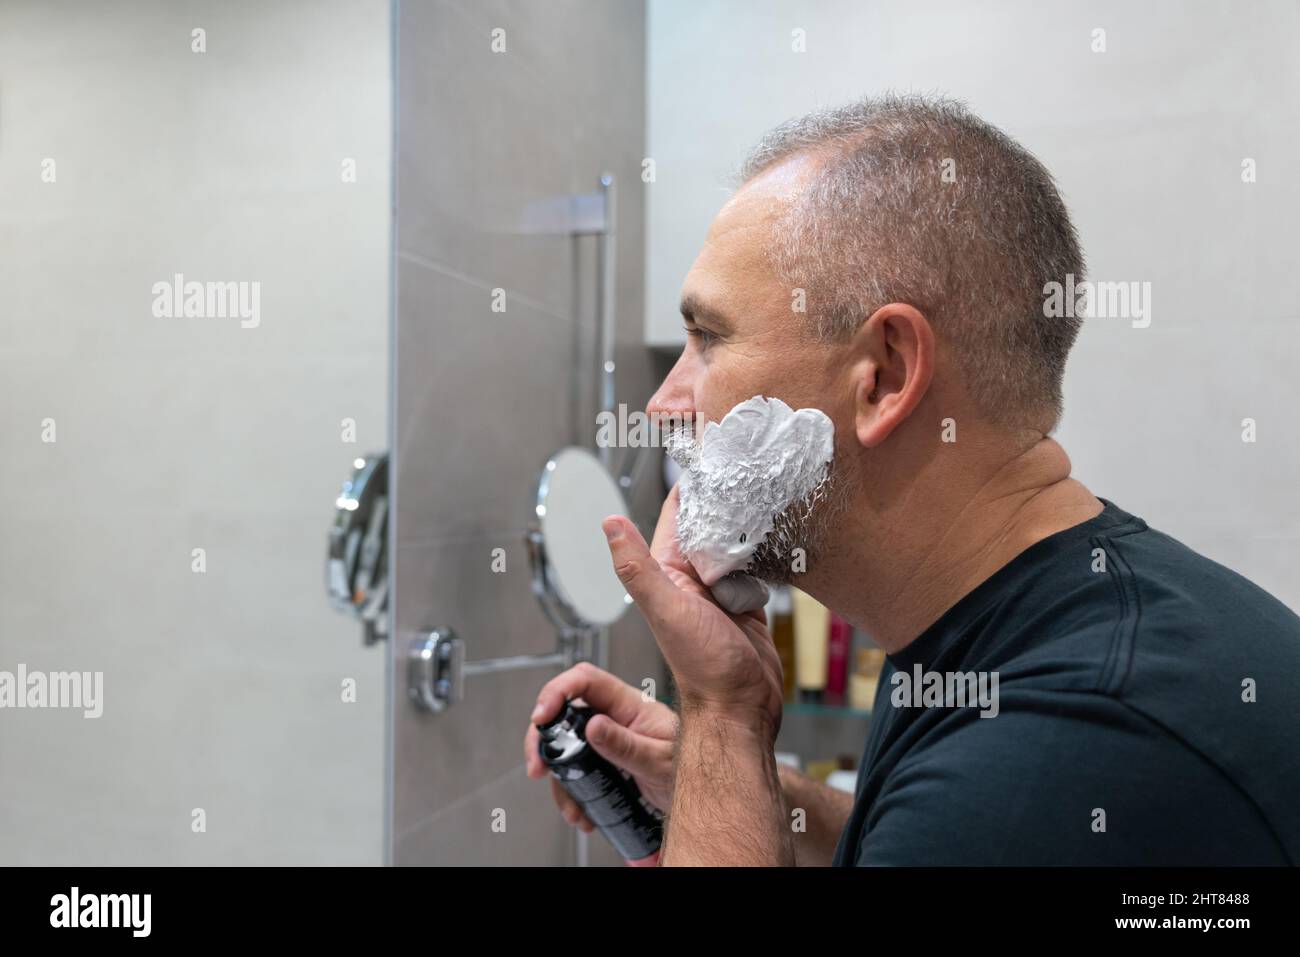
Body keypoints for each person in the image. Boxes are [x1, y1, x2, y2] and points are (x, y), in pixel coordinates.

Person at [524, 94, 1300, 865]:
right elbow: (913, 825)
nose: (663, 406)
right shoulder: (1015, 633)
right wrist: (735, 786)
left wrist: (722, 717)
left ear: (885, 375)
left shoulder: (1066, 747)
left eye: (708, 338)